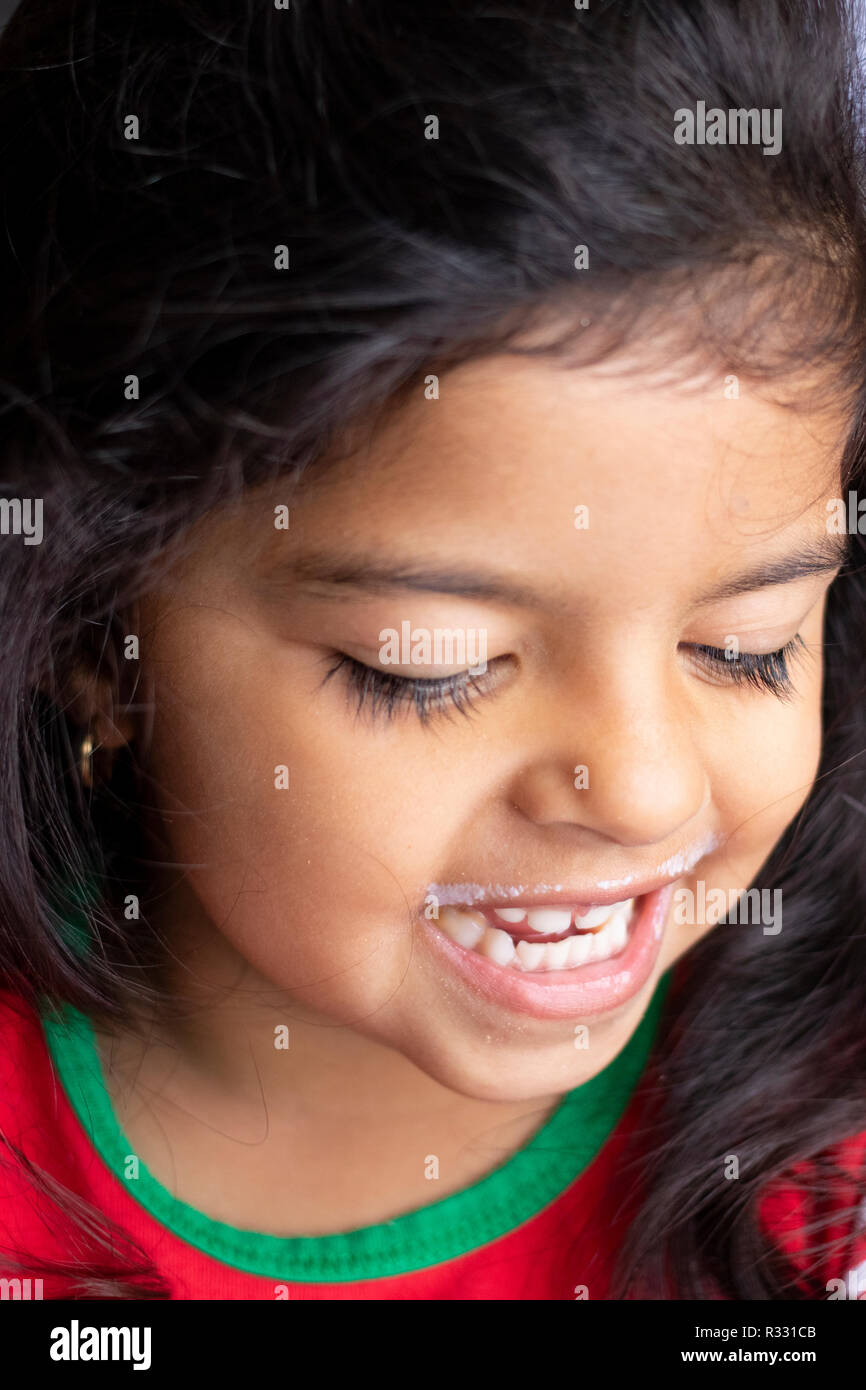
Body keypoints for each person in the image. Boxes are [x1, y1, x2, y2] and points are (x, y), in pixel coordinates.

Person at [0, 0, 865, 1301]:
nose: (641, 789)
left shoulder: (825, 1155)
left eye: (743, 648)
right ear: (93, 633)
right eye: (428, 667)